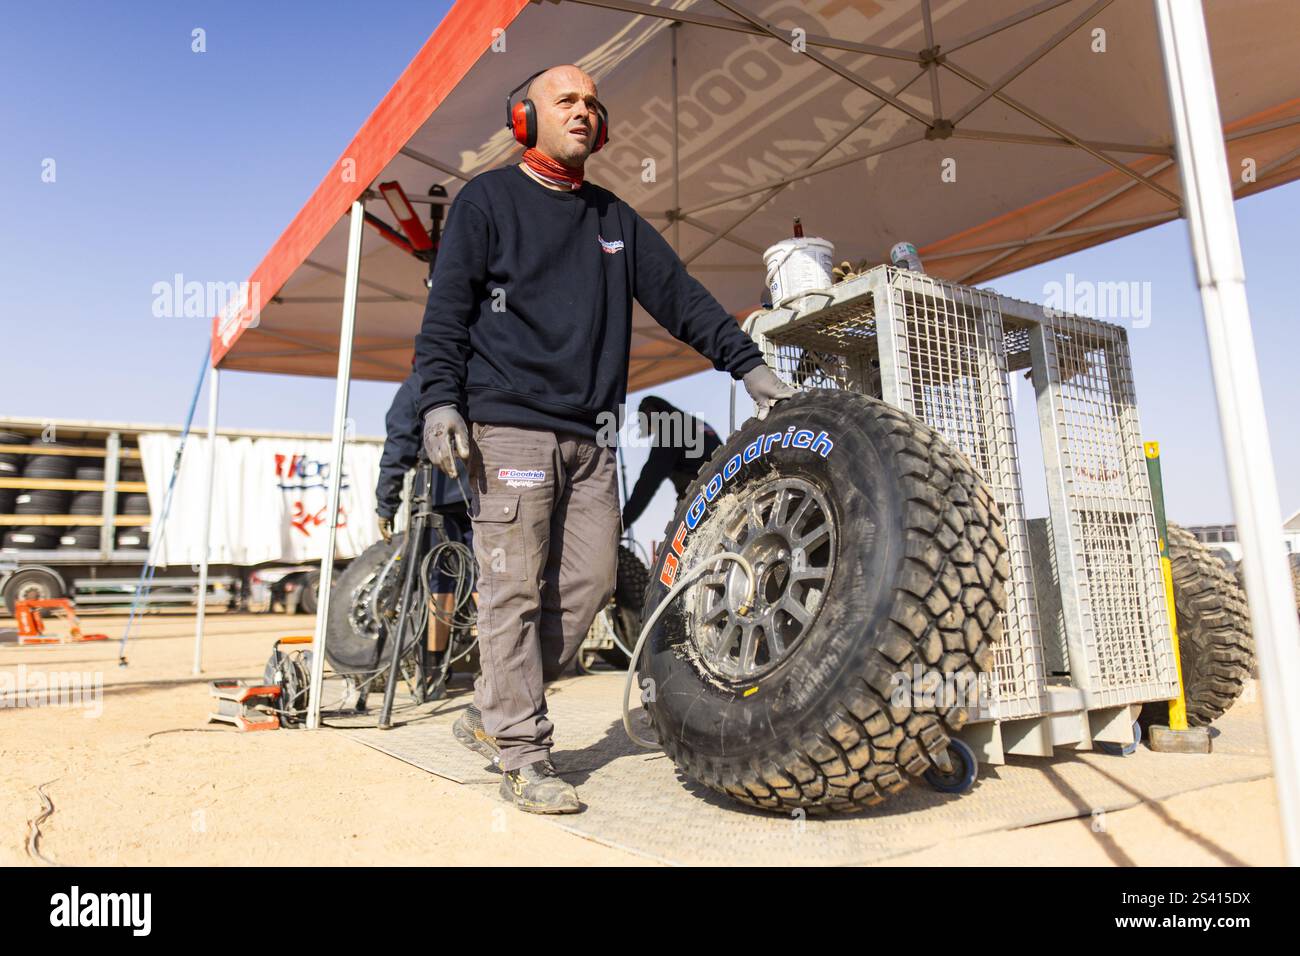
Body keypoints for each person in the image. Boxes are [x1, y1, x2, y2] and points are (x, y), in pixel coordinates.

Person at [416, 64, 794, 814]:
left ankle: (494, 707)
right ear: (525, 118)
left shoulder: (613, 220)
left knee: (588, 587)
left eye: (593, 103)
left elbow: (681, 297)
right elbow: (448, 311)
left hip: (593, 439)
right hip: (508, 427)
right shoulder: (486, 200)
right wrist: (439, 402)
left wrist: (747, 364)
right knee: (512, 591)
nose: (584, 111)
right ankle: (524, 753)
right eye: (567, 101)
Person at [374, 363, 472, 664]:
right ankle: (493, 670)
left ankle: (432, 666)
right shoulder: (483, 370)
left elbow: (398, 445)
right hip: (485, 491)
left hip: (436, 495)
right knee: (489, 579)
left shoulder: (420, 382)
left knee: (440, 580)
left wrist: (386, 503)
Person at [620, 395, 722, 532]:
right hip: (723, 486)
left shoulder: (670, 429)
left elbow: (648, 481)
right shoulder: (694, 423)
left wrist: (623, 522)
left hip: (704, 498)